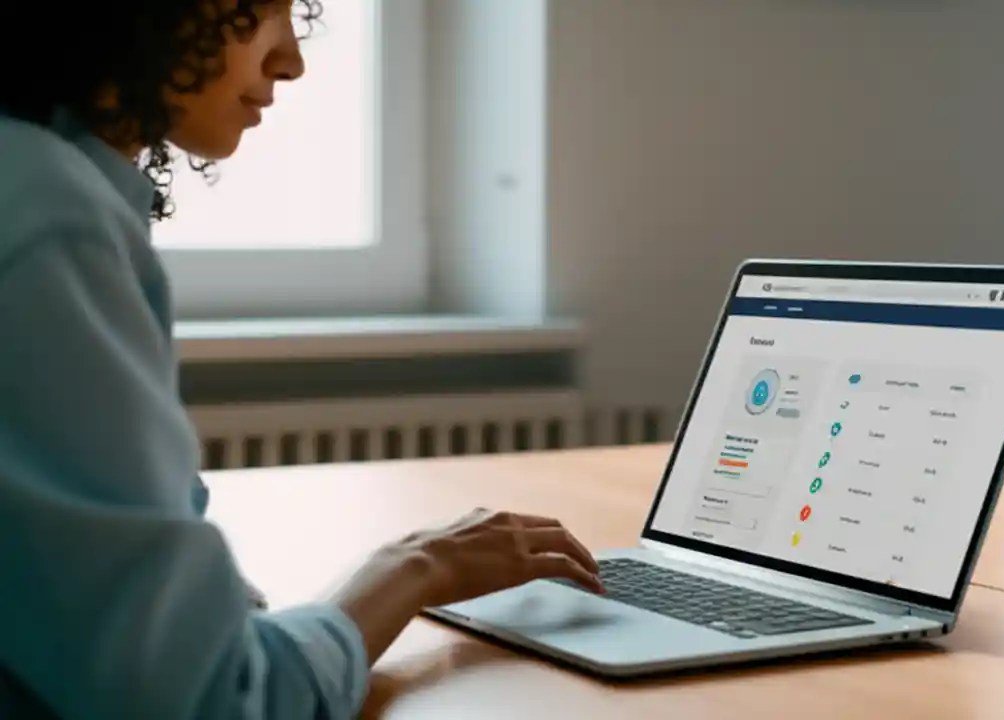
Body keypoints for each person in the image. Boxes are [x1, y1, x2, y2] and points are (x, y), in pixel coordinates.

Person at [0, 2, 604, 717]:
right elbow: (218, 703)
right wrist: (415, 567)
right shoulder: (45, 215)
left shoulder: (52, 184)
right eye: (261, 8)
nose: (290, 58)